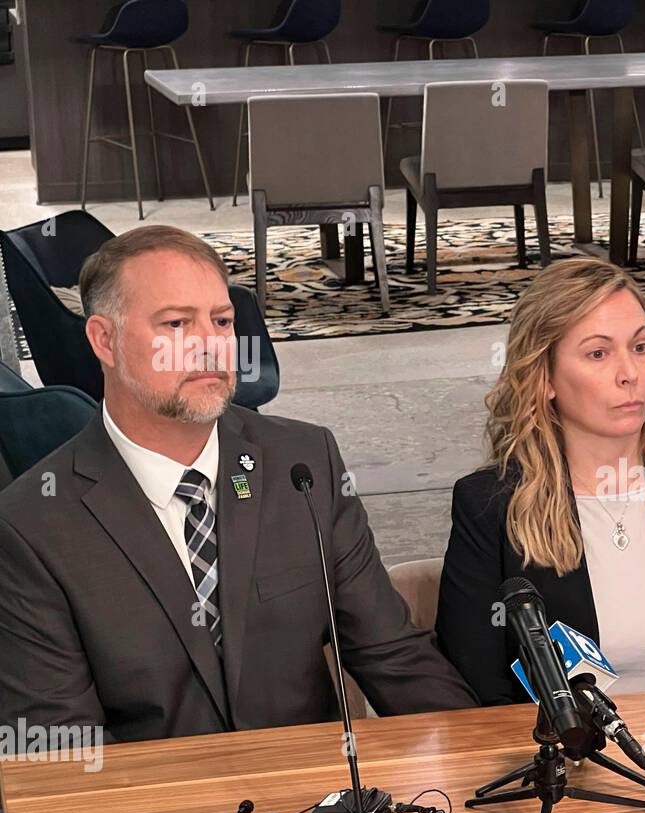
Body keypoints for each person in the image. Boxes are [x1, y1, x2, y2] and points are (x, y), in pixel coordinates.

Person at [0, 226, 475, 742]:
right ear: (104, 340)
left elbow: (391, 654)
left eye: (222, 321)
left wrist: (487, 764)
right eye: (177, 323)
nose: (210, 346)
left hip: (318, 807)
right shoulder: (32, 526)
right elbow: (61, 745)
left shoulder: (305, 460)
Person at [436, 257, 645, 705]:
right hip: (561, 768)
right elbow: (480, 688)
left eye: (640, 347)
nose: (630, 373)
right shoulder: (492, 506)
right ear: (545, 376)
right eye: (598, 353)